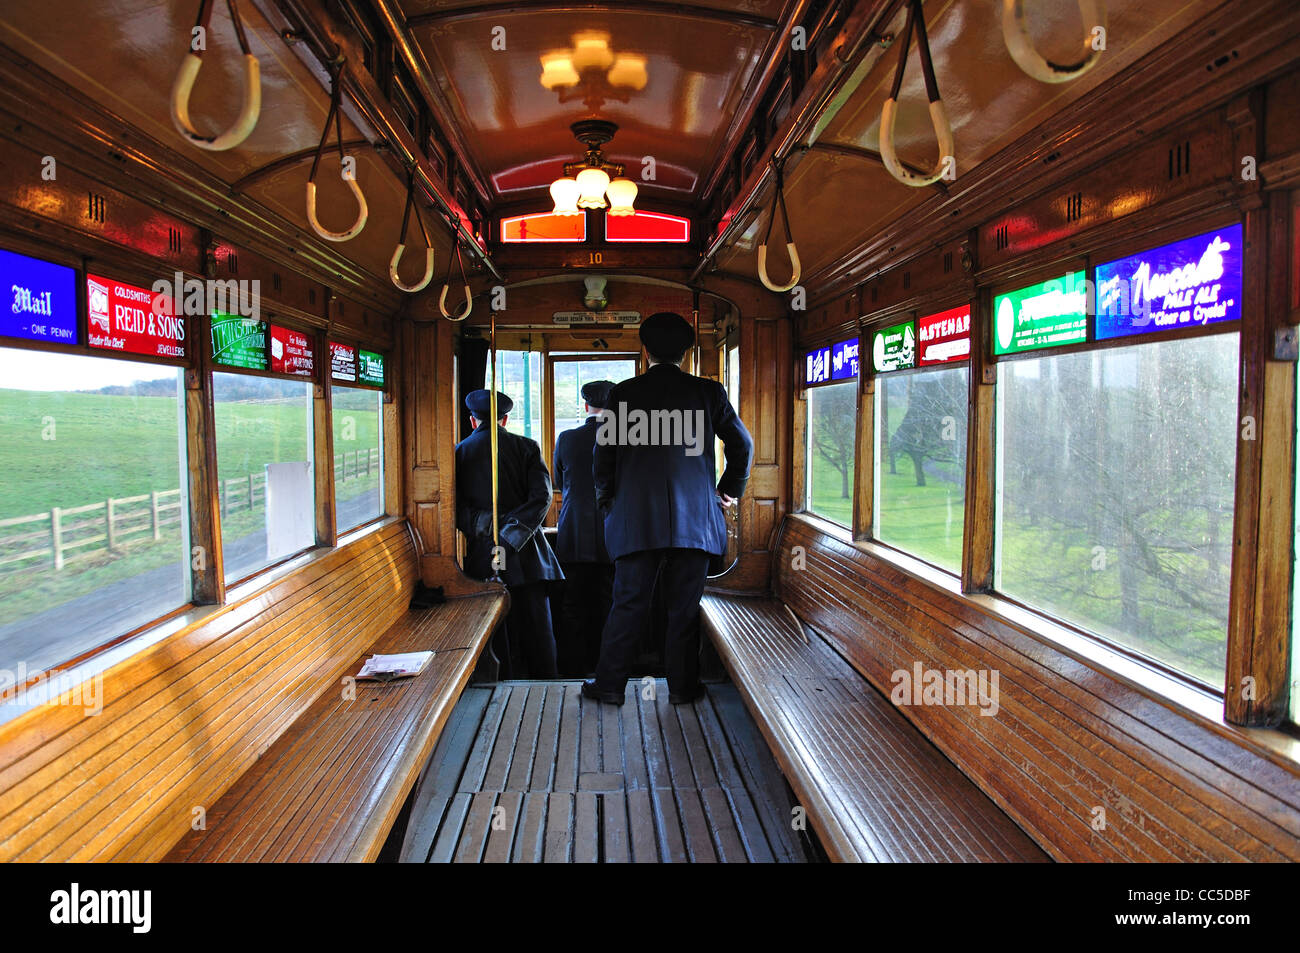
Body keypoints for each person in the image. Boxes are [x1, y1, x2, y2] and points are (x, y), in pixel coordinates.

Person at [584, 313, 753, 706]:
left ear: (645, 351)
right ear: (687, 351)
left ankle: (609, 686)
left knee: (627, 606)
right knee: (684, 611)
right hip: (695, 522)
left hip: (635, 521)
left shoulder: (623, 395)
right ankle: (683, 688)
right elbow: (741, 446)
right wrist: (727, 491)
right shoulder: (709, 393)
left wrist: (610, 502)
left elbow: (602, 458)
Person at [455, 388, 563, 678]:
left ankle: (499, 685)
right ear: (504, 419)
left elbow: (455, 509)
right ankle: (547, 685)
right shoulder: (527, 447)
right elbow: (541, 499)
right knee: (538, 629)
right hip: (527, 556)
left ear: (472, 421)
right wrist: (511, 533)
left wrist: (488, 526)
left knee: (493, 629)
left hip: (483, 556)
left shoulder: (459, 453)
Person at [553, 380, 617, 675]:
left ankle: (572, 667)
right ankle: (605, 664)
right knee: (610, 601)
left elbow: (557, 482)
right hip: (613, 533)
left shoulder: (566, 439)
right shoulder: (626, 438)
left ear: (585, 406)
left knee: (573, 604)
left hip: (573, 532)